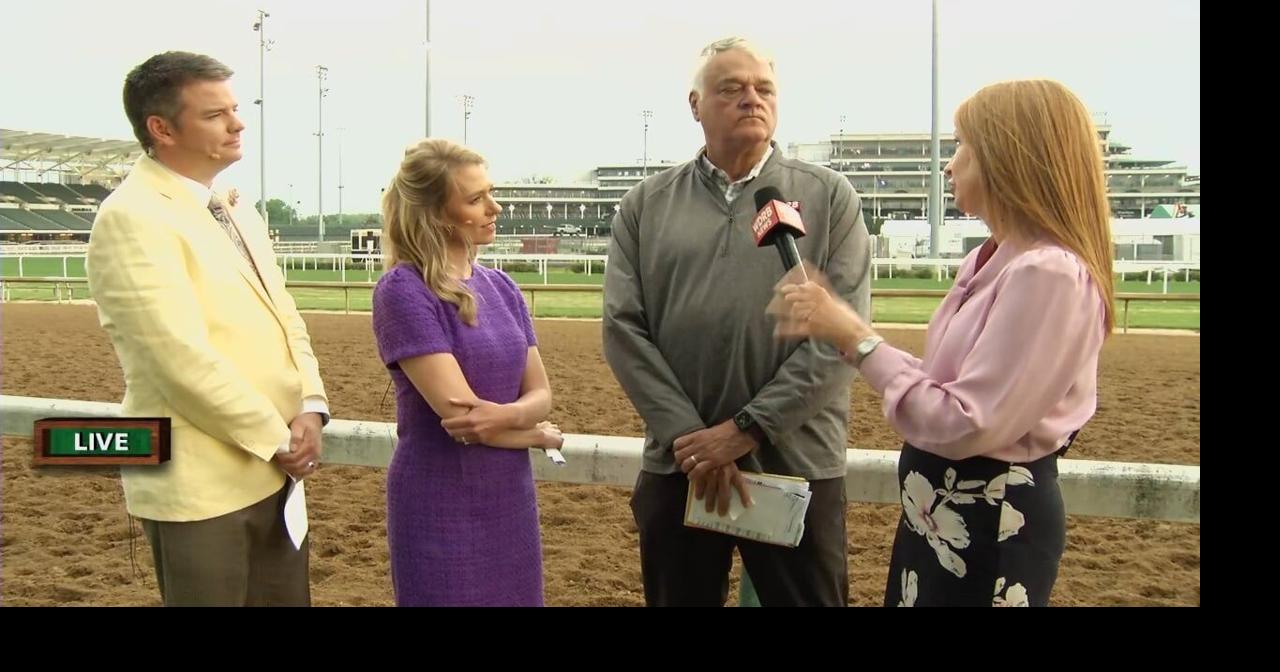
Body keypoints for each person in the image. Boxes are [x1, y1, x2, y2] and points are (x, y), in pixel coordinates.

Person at [775, 79, 1114, 607]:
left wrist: (859, 340)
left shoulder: (1046, 272)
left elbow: (963, 419)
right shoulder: (991, 259)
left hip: (990, 523)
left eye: (962, 146)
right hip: (943, 516)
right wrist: (848, 332)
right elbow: (946, 386)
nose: (949, 164)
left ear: (1007, 158)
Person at [602, 37, 872, 607]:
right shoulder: (645, 204)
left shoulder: (830, 197)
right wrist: (691, 440)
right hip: (682, 466)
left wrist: (743, 430)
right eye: (731, 88)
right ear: (696, 105)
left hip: (794, 464)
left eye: (763, 88)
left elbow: (841, 337)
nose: (752, 98)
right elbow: (624, 331)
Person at [87, 51, 329, 606]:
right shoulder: (132, 216)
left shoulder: (238, 208)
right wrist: (277, 438)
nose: (238, 123)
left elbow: (284, 313)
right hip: (201, 485)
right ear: (161, 128)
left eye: (236, 109)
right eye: (216, 114)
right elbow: (175, 359)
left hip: (277, 472)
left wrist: (311, 403)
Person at [372, 138, 564, 606]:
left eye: (490, 193)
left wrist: (514, 420)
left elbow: (541, 395)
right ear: (438, 214)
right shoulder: (403, 291)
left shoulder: (503, 287)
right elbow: (462, 420)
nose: (494, 207)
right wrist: (535, 435)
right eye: (476, 199)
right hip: (438, 498)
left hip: (508, 496)